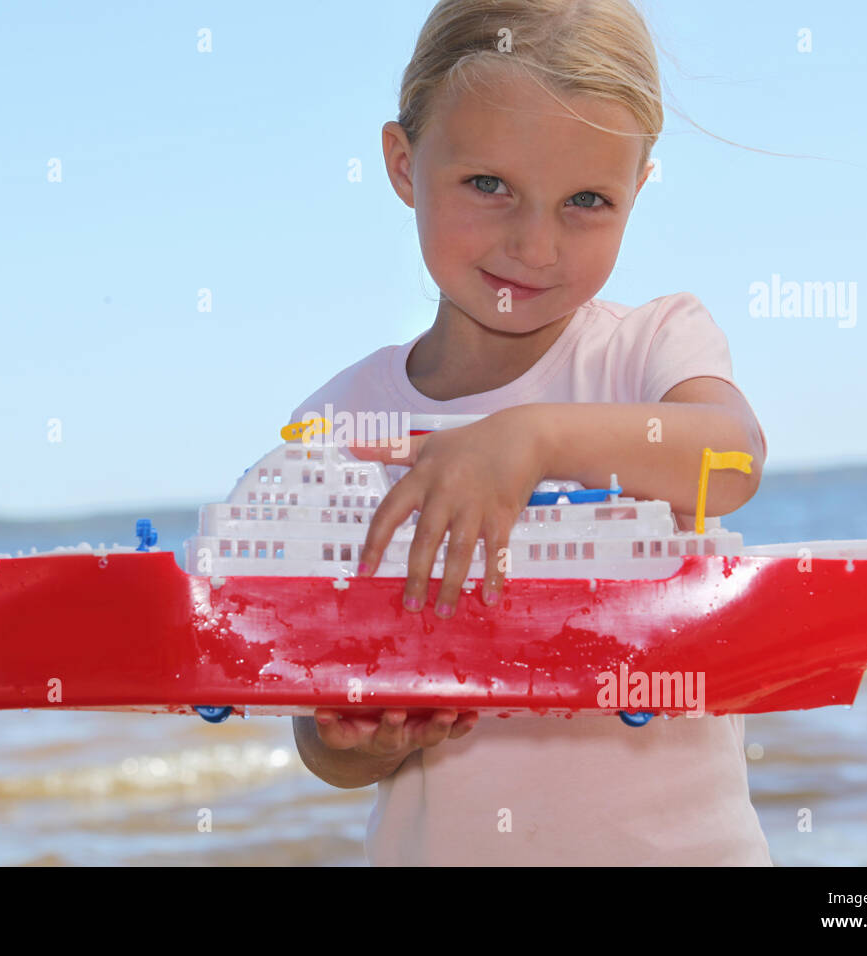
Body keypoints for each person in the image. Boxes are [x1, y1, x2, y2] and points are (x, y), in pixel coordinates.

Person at [289, 0, 771, 865]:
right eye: (488, 185)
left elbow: (731, 460)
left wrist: (531, 440)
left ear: (637, 187)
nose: (535, 245)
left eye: (587, 200)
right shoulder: (345, 423)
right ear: (403, 163)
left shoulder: (650, 350)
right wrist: (358, 741)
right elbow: (317, 728)